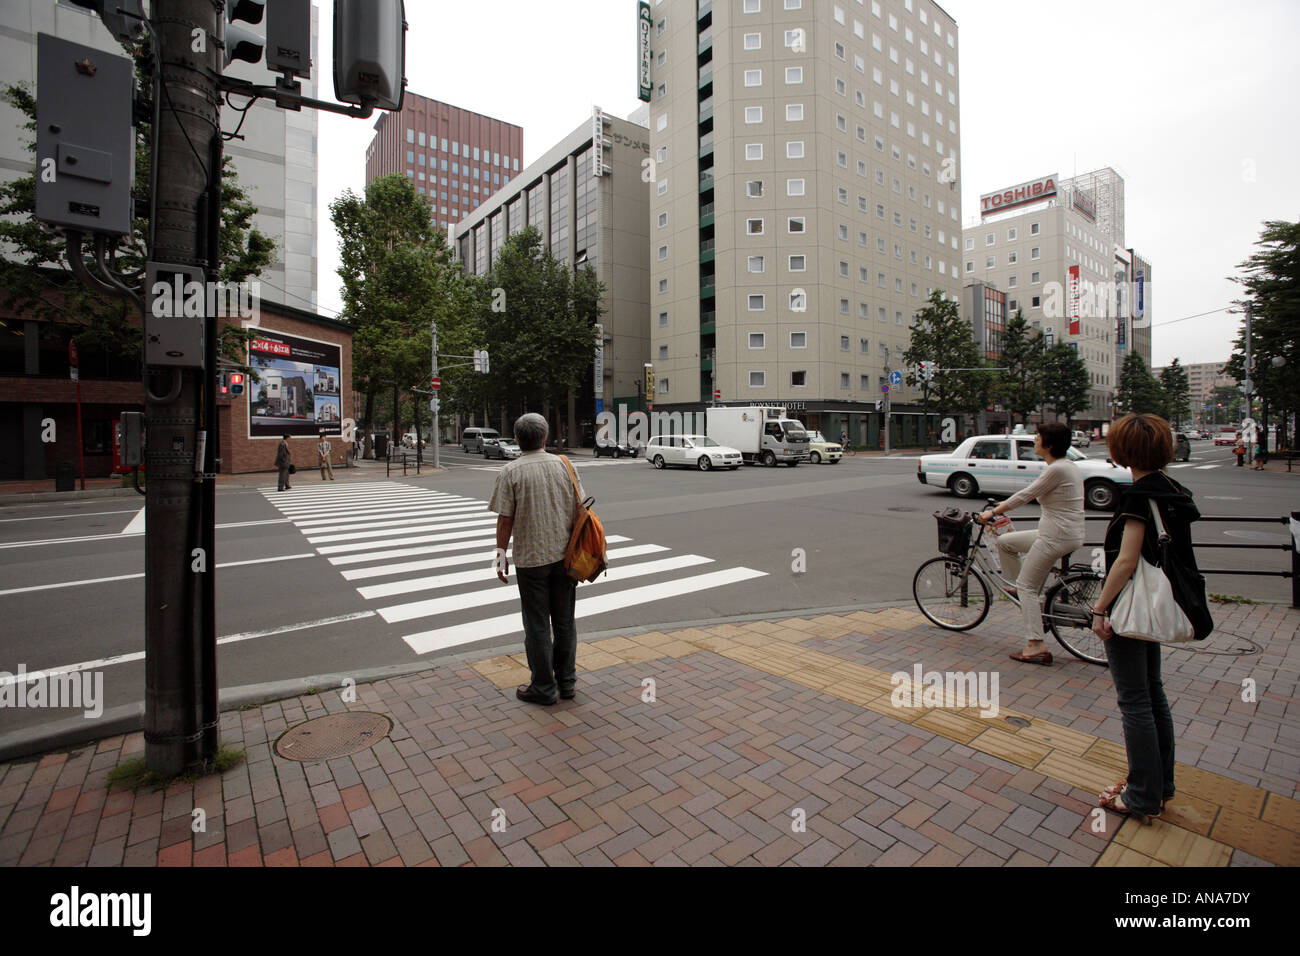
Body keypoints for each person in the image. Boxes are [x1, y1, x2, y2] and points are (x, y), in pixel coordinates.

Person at [1088, 412, 1199, 825]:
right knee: (1153, 694)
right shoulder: (1173, 490)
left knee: (1134, 700)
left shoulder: (1138, 496)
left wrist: (1100, 608)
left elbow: (1126, 561)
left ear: (1122, 452)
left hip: (1131, 606)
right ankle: (1158, 785)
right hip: (1158, 602)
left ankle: (1140, 796)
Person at [489, 413, 582, 705]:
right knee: (565, 622)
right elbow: (580, 509)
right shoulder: (565, 466)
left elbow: (505, 520)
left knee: (537, 624)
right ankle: (566, 683)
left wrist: (501, 554)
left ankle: (543, 687)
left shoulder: (510, 472)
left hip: (531, 560)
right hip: (566, 557)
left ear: (517, 439)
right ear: (545, 437)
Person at [975, 422, 1085, 666]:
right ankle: (1018, 588)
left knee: (1027, 587)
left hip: (1056, 536)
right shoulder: (1065, 466)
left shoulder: (1056, 470)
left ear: (1049, 444)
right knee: (1005, 542)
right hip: (1060, 532)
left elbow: (1026, 495)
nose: (1034, 440)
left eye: (1038, 437)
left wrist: (992, 513)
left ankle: (1035, 645)